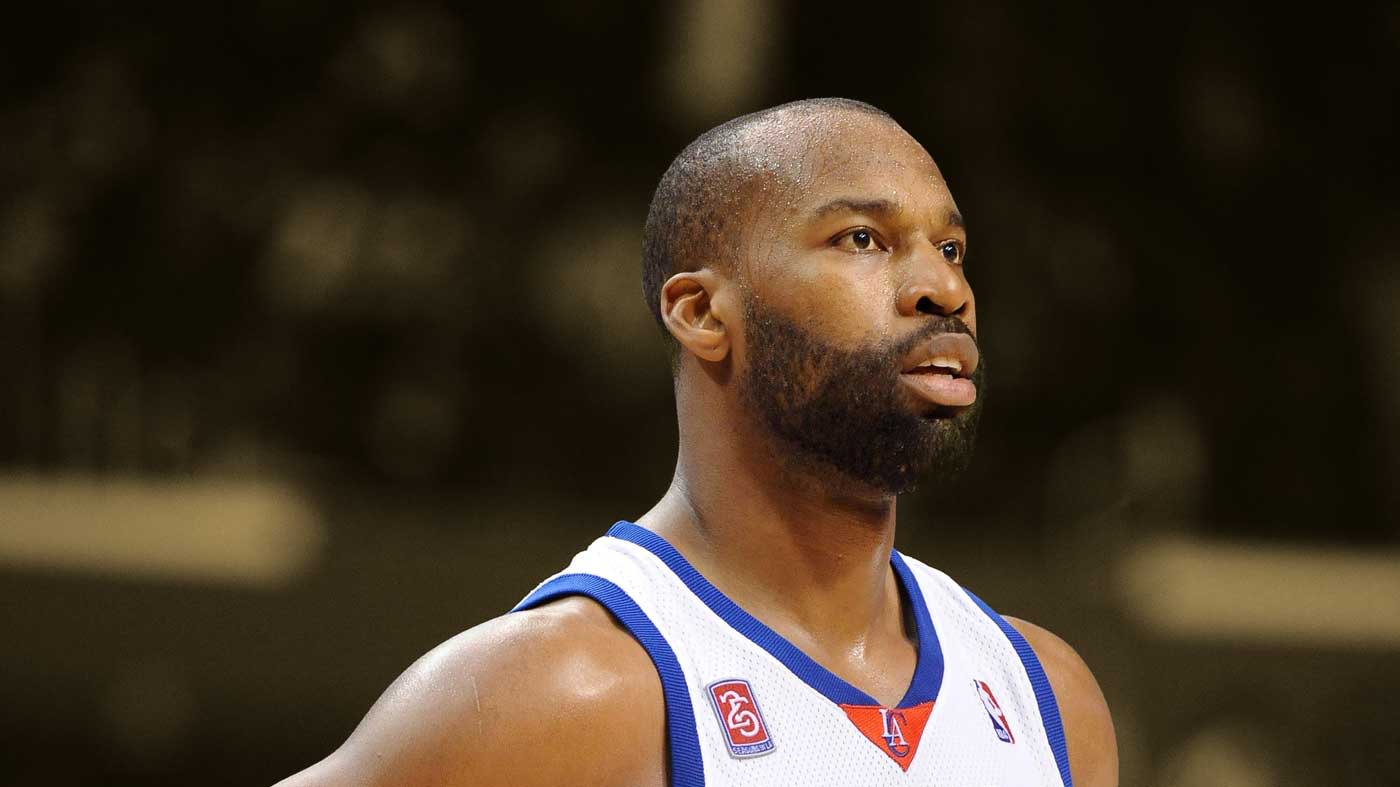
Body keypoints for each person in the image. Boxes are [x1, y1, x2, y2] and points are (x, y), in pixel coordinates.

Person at [277, 97, 1117, 786]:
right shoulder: (569, 689)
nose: (944, 288)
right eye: (863, 239)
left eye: (952, 248)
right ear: (702, 312)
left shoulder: (1047, 695)